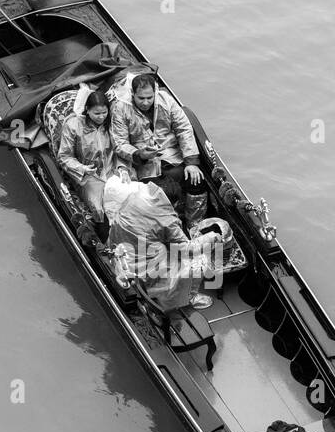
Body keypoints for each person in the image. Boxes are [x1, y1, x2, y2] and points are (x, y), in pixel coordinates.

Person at [102, 174, 220, 312]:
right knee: (199, 259)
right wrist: (213, 237)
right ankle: (190, 298)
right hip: (140, 273)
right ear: (175, 203)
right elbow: (188, 249)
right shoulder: (167, 220)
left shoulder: (136, 195)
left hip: (117, 252)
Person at [109, 71, 208, 226]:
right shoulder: (120, 108)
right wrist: (139, 153)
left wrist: (191, 162)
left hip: (172, 156)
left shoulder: (166, 100)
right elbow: (119, 143)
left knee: (197, 180)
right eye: (141, 98)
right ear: (132, 94)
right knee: (161, 194)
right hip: (145, 164)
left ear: (155, 93)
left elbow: (183, 128)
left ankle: (194, 224)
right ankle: (169, 228)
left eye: (150, 97)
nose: (146, 102)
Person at [56, 87, 118, 230]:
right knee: (98, 207)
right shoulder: (73, 125)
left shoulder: (111, 122)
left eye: (104, 113)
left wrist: (121, 168)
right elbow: (64, 156)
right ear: (87, 110)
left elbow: (120, 148)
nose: (101, 117)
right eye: (97, 113)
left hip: (111, 169)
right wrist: (82, 168)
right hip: (87, 175)